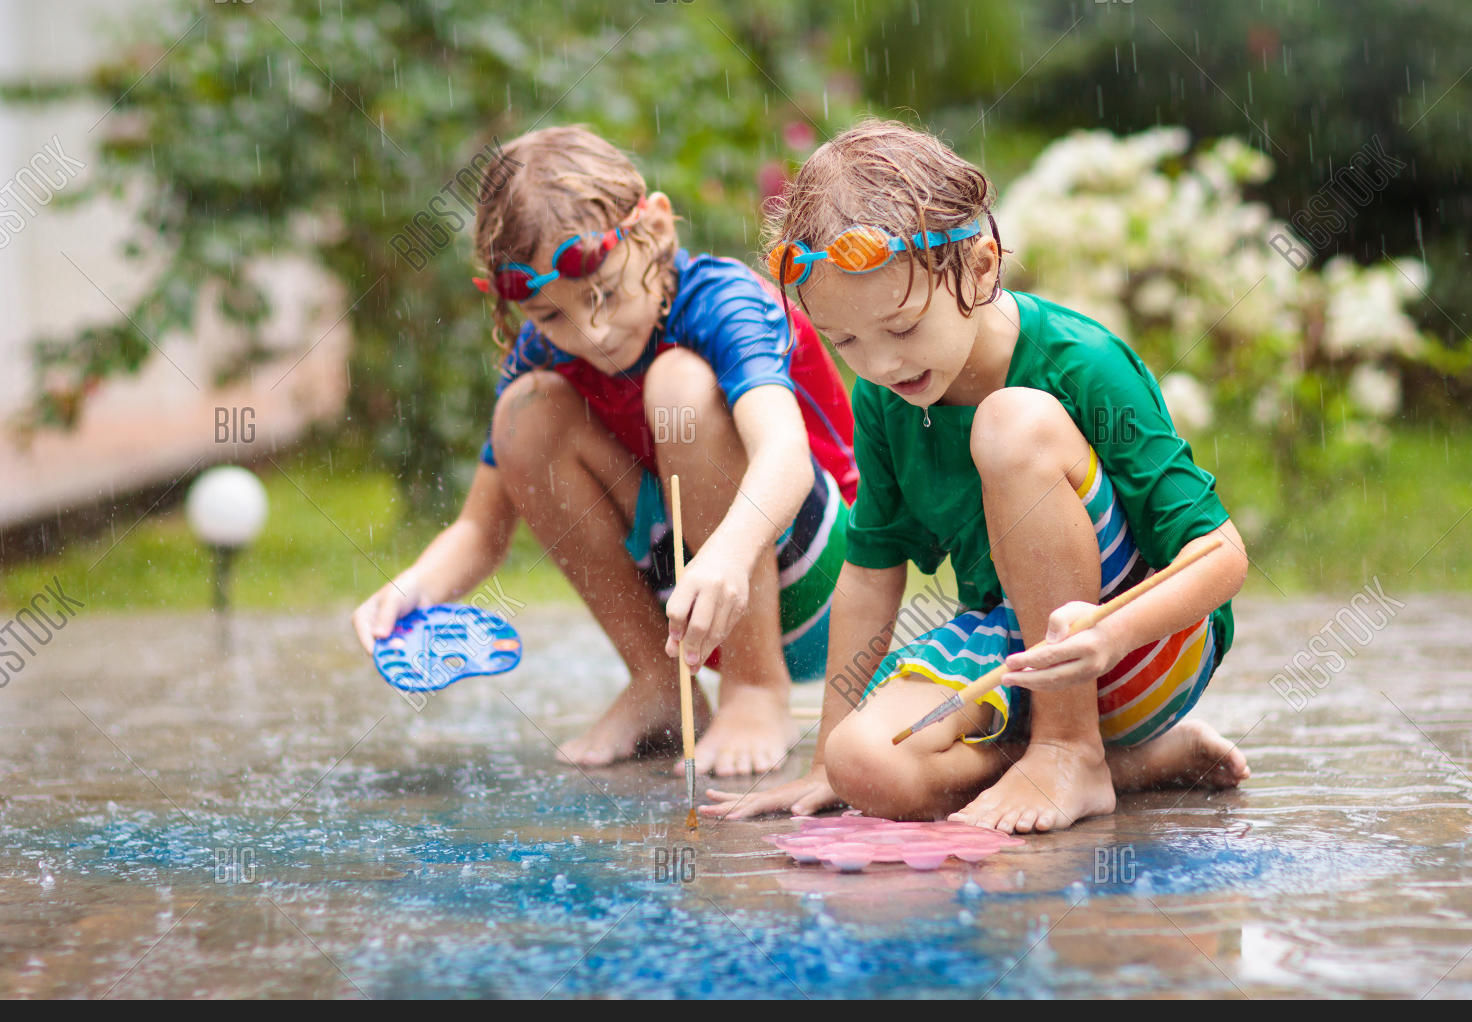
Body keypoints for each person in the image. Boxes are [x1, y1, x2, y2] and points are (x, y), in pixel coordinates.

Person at [703, 119, 1251, 830]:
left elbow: (1223, 556)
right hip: (1013, 647)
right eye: (845, 342)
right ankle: (1118, 766)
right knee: (861, 763)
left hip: (1138, 645)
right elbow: (871, 575)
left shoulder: (1080, 362)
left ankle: (1069, 749)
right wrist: (820, 764)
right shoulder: (884, 400)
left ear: (982, 266)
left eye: (900, 328)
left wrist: (1110, 635)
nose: (880, 366)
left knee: (1010, 420)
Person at [352, 125, 857, 777]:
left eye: (605, 295)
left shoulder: (722, 302)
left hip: (817, 578)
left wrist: (729, 554)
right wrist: (410, 591)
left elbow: (784, 452)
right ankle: (659, 683)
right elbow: (481, 530)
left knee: (677, 383)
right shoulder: (548, 352)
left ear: (656, 230)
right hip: (692, 595)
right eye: (552, 315)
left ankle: (756, 689)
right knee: (524, 414)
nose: (590, 333)